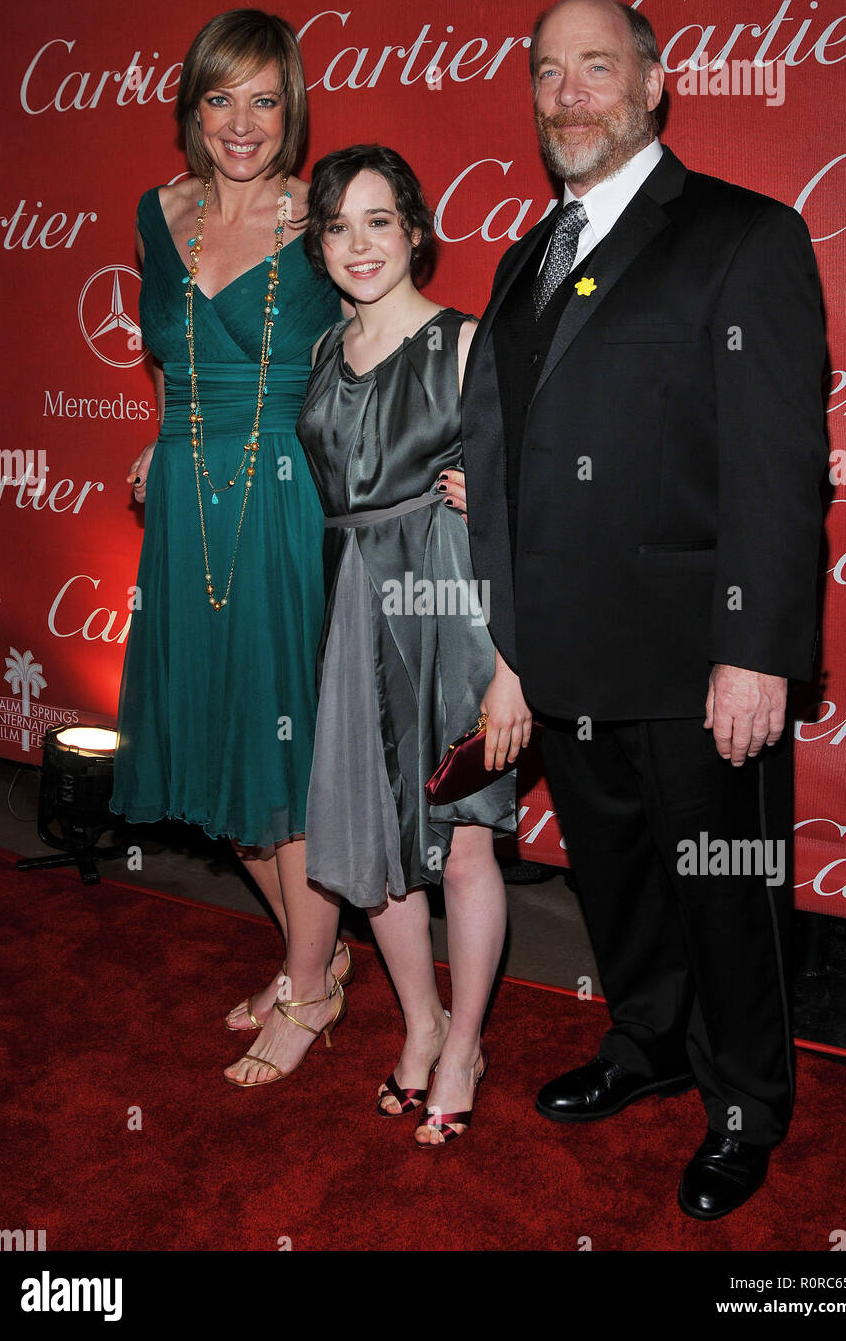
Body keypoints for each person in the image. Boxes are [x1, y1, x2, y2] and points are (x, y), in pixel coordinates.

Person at [460, 0, 828, 1215]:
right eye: (548, 71)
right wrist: (510, 641)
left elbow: (779, 466)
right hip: (567, 654)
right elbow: (511, 452)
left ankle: (744, 1104)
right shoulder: (528, 256)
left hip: (696, 655)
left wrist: (758, 651)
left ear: (656, 82)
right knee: (615, 879)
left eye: (597, 66)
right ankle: (650, 1044)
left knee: (726, 888)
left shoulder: (743, 235)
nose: (569, 93)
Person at [110, 9, 354, 1070]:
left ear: (291, 106)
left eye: (264, 99)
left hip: (287, 503)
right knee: (214, 742)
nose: (242, 123)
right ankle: (317, 958)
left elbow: (385, 349)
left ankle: (309, 986)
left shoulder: (325, 217)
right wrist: (162, 440)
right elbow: (168, 357)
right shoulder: (157, 214)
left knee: (279, 745)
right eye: (221, 99)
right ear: (192, 108)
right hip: (185, 510)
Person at [295, 144, 526, 1145]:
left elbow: (532, 504)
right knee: (368, 839)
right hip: (347, 609)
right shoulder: (317, 353)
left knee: (463, 839)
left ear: (417, 233)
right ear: (319, 244)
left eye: (379, 220)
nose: (359, 243)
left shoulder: (466, 345)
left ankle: (466, 1043)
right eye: (339, 224)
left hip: (450, 612)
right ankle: (420, 1021)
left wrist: (515, 667)